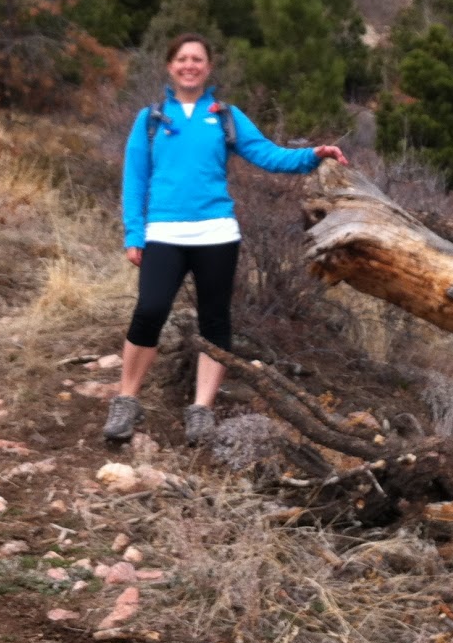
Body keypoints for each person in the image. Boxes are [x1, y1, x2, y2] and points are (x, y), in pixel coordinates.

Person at [105, 33, 348, 445]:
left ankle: (201, 409)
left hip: (217, 233)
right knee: (150, 310)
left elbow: (268, 154)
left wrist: (313, 155)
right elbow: (135, 180)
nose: (189, 65)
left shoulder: (225, 116)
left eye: (197, 59)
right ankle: (126, 400)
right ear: (170, 66)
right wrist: (134, 233)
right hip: (163, 232)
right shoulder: (150, 120)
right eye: (181, 58)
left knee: (215, 319)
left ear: (208, 67)